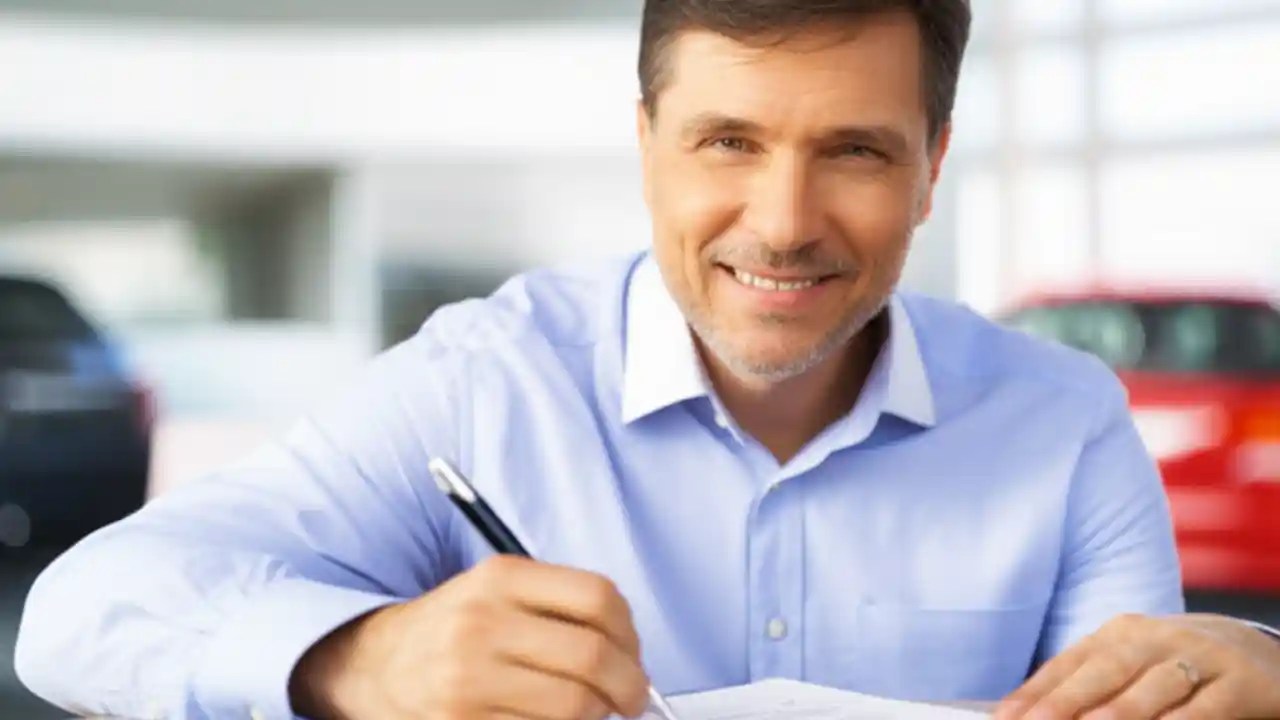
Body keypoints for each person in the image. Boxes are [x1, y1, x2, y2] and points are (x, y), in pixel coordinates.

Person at [14, 1, 1280, 718]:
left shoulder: (1063, 422)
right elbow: (75, 616)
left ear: (931, 165)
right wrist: (355, 658)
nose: (781, 222)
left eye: (853, 151)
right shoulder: (478, 383)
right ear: (646, 142)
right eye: (727, 141)